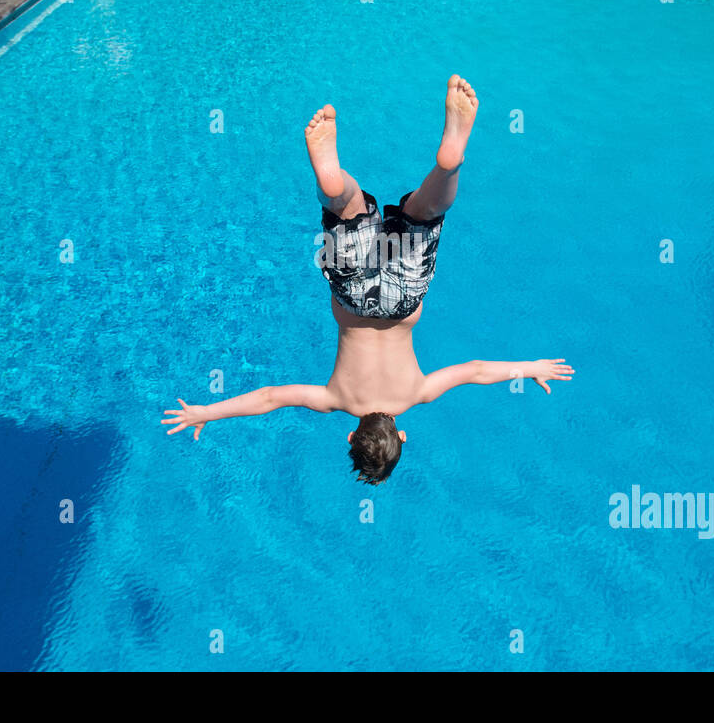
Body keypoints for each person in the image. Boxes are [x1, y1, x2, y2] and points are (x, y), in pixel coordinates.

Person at [163, 76, 574, 485]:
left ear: (402, 435)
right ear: (350, 434)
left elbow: (476, 370)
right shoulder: (336, 399)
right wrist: (205, 413)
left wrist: (530, 366)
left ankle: (448, 168)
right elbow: (271, 398)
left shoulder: (417, 393)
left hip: (402, 299)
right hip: (353, 297)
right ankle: (334, 185)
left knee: (423, 214)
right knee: (349, 210)